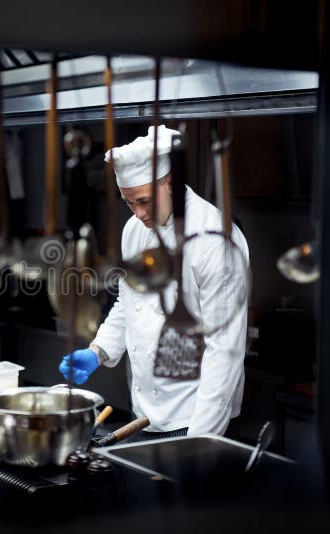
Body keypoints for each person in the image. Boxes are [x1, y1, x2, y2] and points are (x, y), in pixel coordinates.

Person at [58, 125, 250, 439]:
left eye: (144, 201)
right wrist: (99, 349)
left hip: (197, 415)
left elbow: (224, 350)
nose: (138, 213)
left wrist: (199, 441)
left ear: (170, 182)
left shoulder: (215, 239)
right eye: (129, 203)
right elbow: (129, 302)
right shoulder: (133, 230)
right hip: (145, 413)